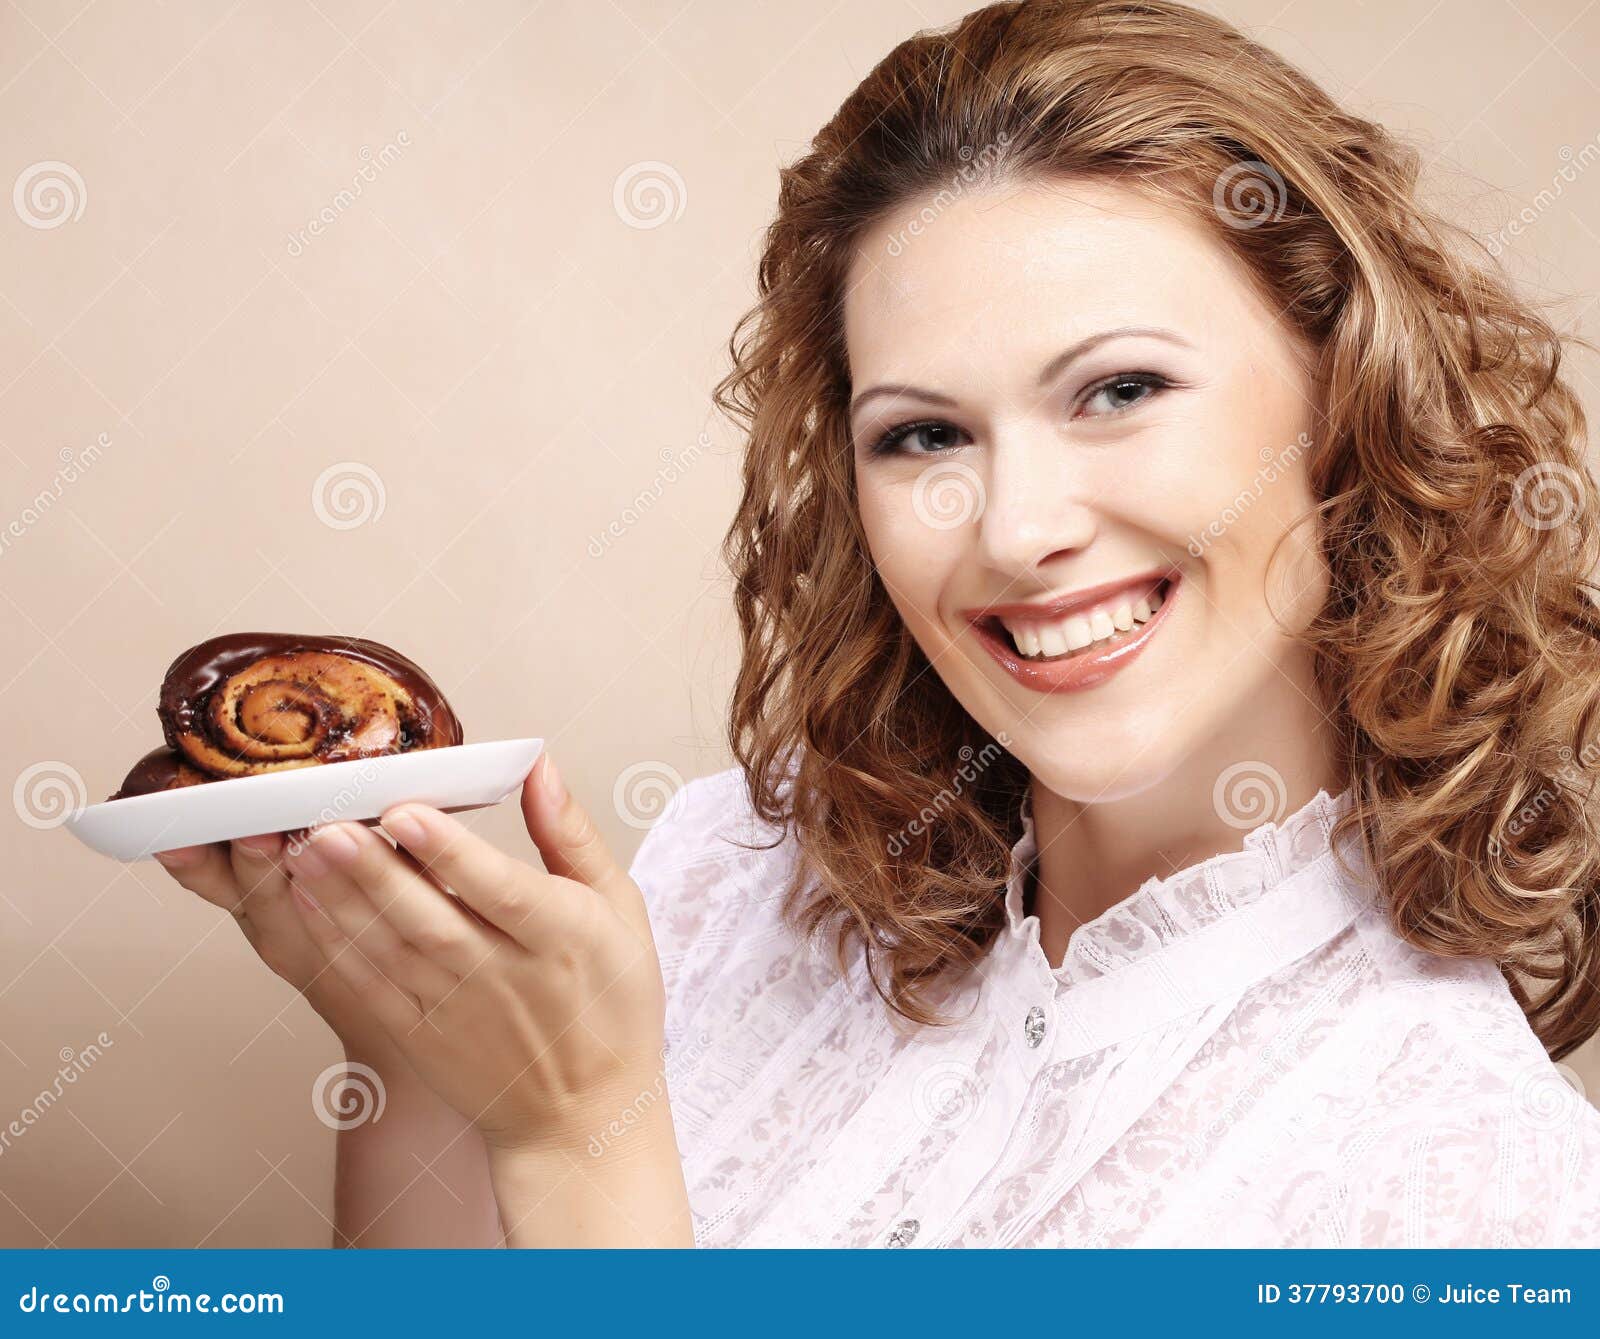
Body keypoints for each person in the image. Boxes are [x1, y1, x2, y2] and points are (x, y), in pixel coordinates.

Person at [154, 0, 1600, 1247]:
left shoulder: (1466, 1180)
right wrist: (412, 1052)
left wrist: (574, 1141)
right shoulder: (732, 886)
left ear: (1346, 401)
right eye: (922, 437)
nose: (1017, 529)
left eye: (1118, 391)